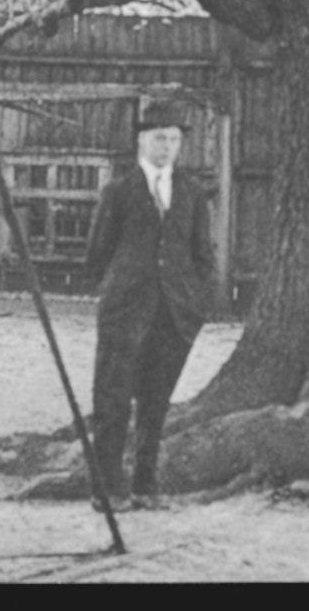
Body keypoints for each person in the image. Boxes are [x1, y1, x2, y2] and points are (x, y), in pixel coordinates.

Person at [85, 96, 218, 507]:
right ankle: (108, 486)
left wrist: (194, 304)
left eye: (175, 139)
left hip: (173, 313)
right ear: (141, 141)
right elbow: (97, 254)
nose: (167, 147)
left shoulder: (192, 193)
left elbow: (203, 256)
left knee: (156, 400)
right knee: (113, 397)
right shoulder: (119, 192)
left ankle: (145, 483)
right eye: (160, 138)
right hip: (125, 311)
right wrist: (119, 291)